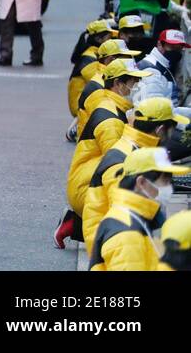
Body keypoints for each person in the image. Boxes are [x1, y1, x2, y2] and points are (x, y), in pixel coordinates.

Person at [57, 58, 150, 246]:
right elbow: (118, 165)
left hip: (88, 180)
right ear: (118, 84)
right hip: (85, 187)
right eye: (134, 82)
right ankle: (79, 223)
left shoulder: (115, 107)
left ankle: (74, 224)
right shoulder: (111, 121)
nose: (138, 86)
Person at [79, 97, 188, 254]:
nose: (172, 136)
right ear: (160, 130)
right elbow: (118, 218)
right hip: (112, 248)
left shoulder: (136, 149)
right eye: (172, 130)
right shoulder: (124, 161)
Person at [89, 147, 190, 270]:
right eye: (165, 181)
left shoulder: (136, 217)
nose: (169, 188)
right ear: (141, 182)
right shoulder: (127, 235)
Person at [134, 28, 187, 104]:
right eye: (172, 47)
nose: (175, 51)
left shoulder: (164, 65)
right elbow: (153, 107)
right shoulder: (151, 69)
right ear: (159, 44)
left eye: (179, 49)